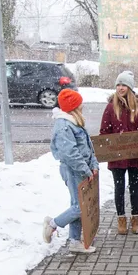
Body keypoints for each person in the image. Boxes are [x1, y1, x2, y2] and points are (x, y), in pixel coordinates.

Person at [43, 89, 100, 254]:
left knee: (78, 204)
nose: (82, 105)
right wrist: (86, 170)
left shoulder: (75, 122)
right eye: (79, 103)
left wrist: (93, 164)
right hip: (74, 170)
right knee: (80, 207)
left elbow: (88, 147)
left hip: (82, 169)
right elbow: (70, 154)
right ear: (73, 106)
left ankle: (74, 241)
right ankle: (52, 224)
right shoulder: (64, 126)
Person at [100, 71, 138, 235]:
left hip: (134, 156)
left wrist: (137, 142)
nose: (120, 88)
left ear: (130, 87)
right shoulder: (110, 107)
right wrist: (112, 142)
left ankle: (135, 218)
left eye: (124, 85)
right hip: (117, 156)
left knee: (134, 187)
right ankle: (121, 218)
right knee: (119, 188)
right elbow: (104, 131)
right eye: (118, 85)